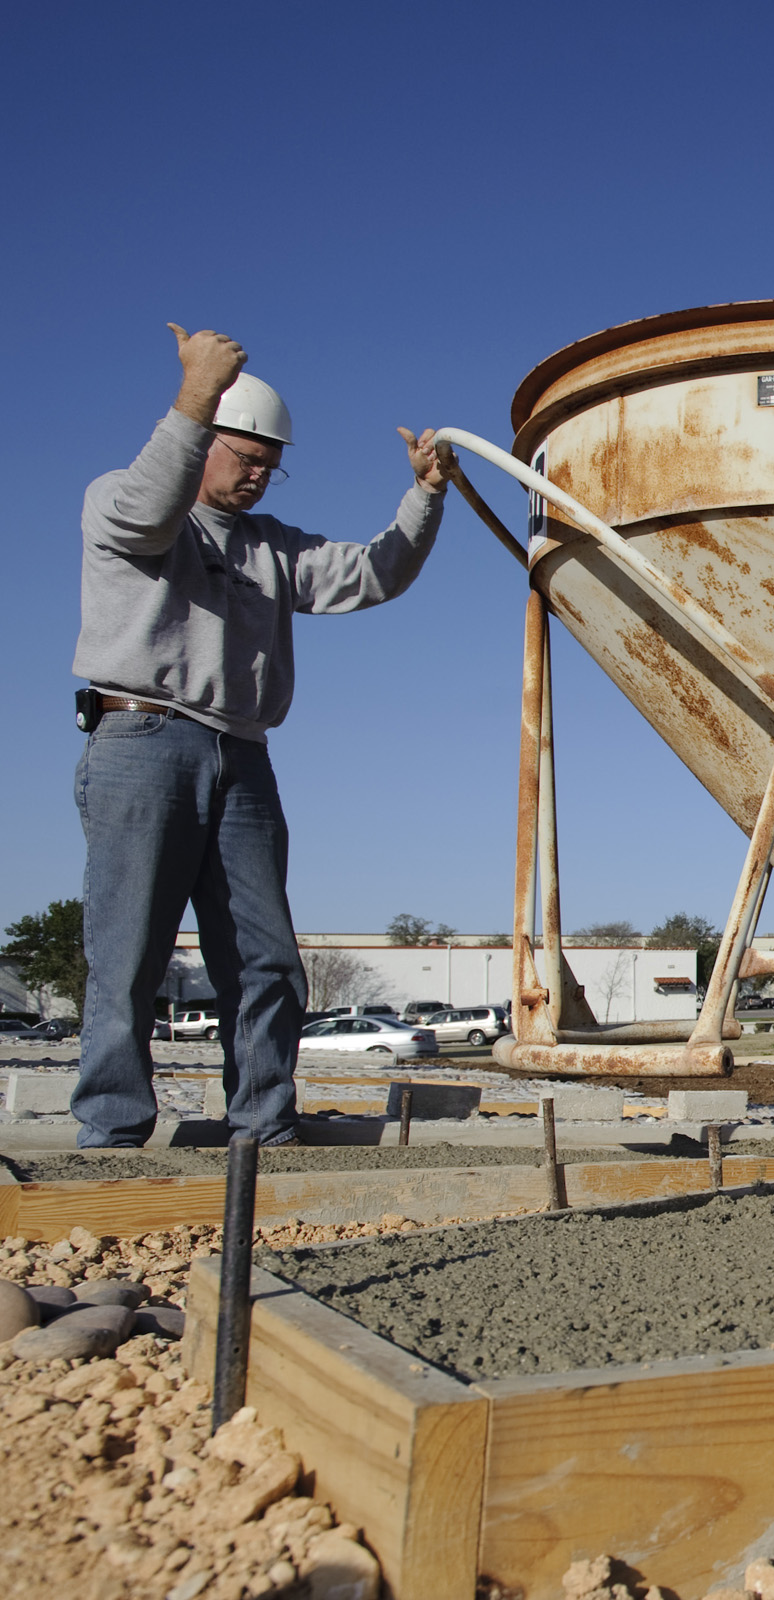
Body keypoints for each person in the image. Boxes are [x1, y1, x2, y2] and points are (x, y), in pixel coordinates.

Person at [72, 324, 456, 1148]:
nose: (257, 474)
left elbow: (373, 573)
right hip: (142, 745)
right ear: (202, 436)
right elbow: (148, 513)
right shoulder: (121, 498)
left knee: (264, 958)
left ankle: (262, 1126)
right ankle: (110, 1135)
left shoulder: (272, 546)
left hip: (242, 756)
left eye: (268, 463)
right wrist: (193, 395)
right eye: (243, 455)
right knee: (129, 953)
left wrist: (424, 498)